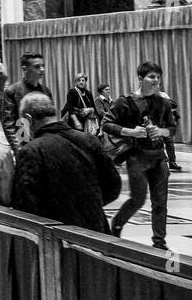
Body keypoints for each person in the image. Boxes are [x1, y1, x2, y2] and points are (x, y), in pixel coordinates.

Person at [12, 93, 119, 234]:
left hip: (57, 238)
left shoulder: (31, 151)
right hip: (95, 232)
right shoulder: (89, 140)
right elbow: (113, 185)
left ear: (28, 120)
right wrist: (88, 205)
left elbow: (26, 205)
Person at [105, 62, 178, 249]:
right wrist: (131, 132)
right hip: (137, 157)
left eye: (158, 77)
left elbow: (172, 128)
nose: (156, 81)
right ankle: (117, 223)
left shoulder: (163, 102)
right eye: (152, 77)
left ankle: (159, 243)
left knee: (160, 202)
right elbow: (106, 124)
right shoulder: (125, 101)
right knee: (138, 199)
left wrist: (161, 132)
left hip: (159, 157)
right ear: (140, 78)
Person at [2, 53, 50, 152]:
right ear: (25, 69)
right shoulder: (12, 91)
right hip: (23, 140)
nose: (42, 69)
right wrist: (18, 148)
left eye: (43, 66)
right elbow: (9, 123)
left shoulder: (46, 90)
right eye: (37, 66)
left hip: (44, 141)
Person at [60, 72, 99, 137]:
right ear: (76, 82)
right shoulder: (72, 91)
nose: (81, 82)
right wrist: (76, 122)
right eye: (79, 80)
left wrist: (90, 109)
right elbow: (70, 109)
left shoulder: (88, 93)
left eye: (83, 80)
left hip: (86, 121)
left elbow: (94, 107)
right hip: (73, 120)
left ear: (86, 82)